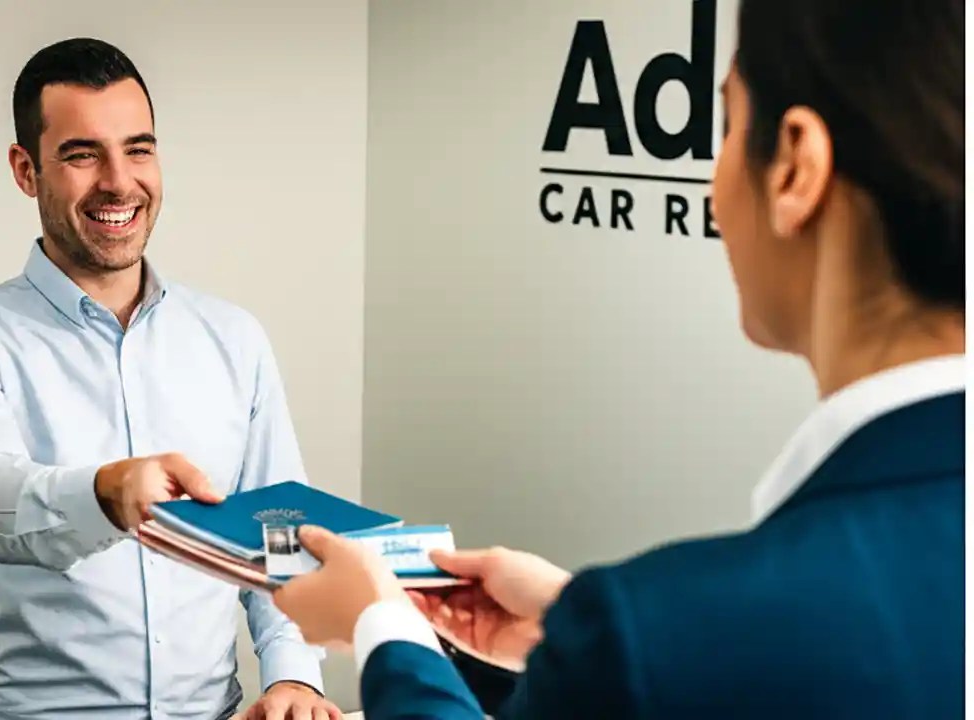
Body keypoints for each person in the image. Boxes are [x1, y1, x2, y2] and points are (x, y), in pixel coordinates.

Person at [272, 0, 965, 717]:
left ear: (795, 167)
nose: (711, 188)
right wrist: (580, 633)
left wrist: (384, 625)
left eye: (726, 126)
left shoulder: (654, 629)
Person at [0, 38, 340, 720]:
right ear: (27, 170)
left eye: (138, 148)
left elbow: (279, 529)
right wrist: (104, 495)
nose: (118, 181)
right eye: (82, 154)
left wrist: (294, 677)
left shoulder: (233, 338)